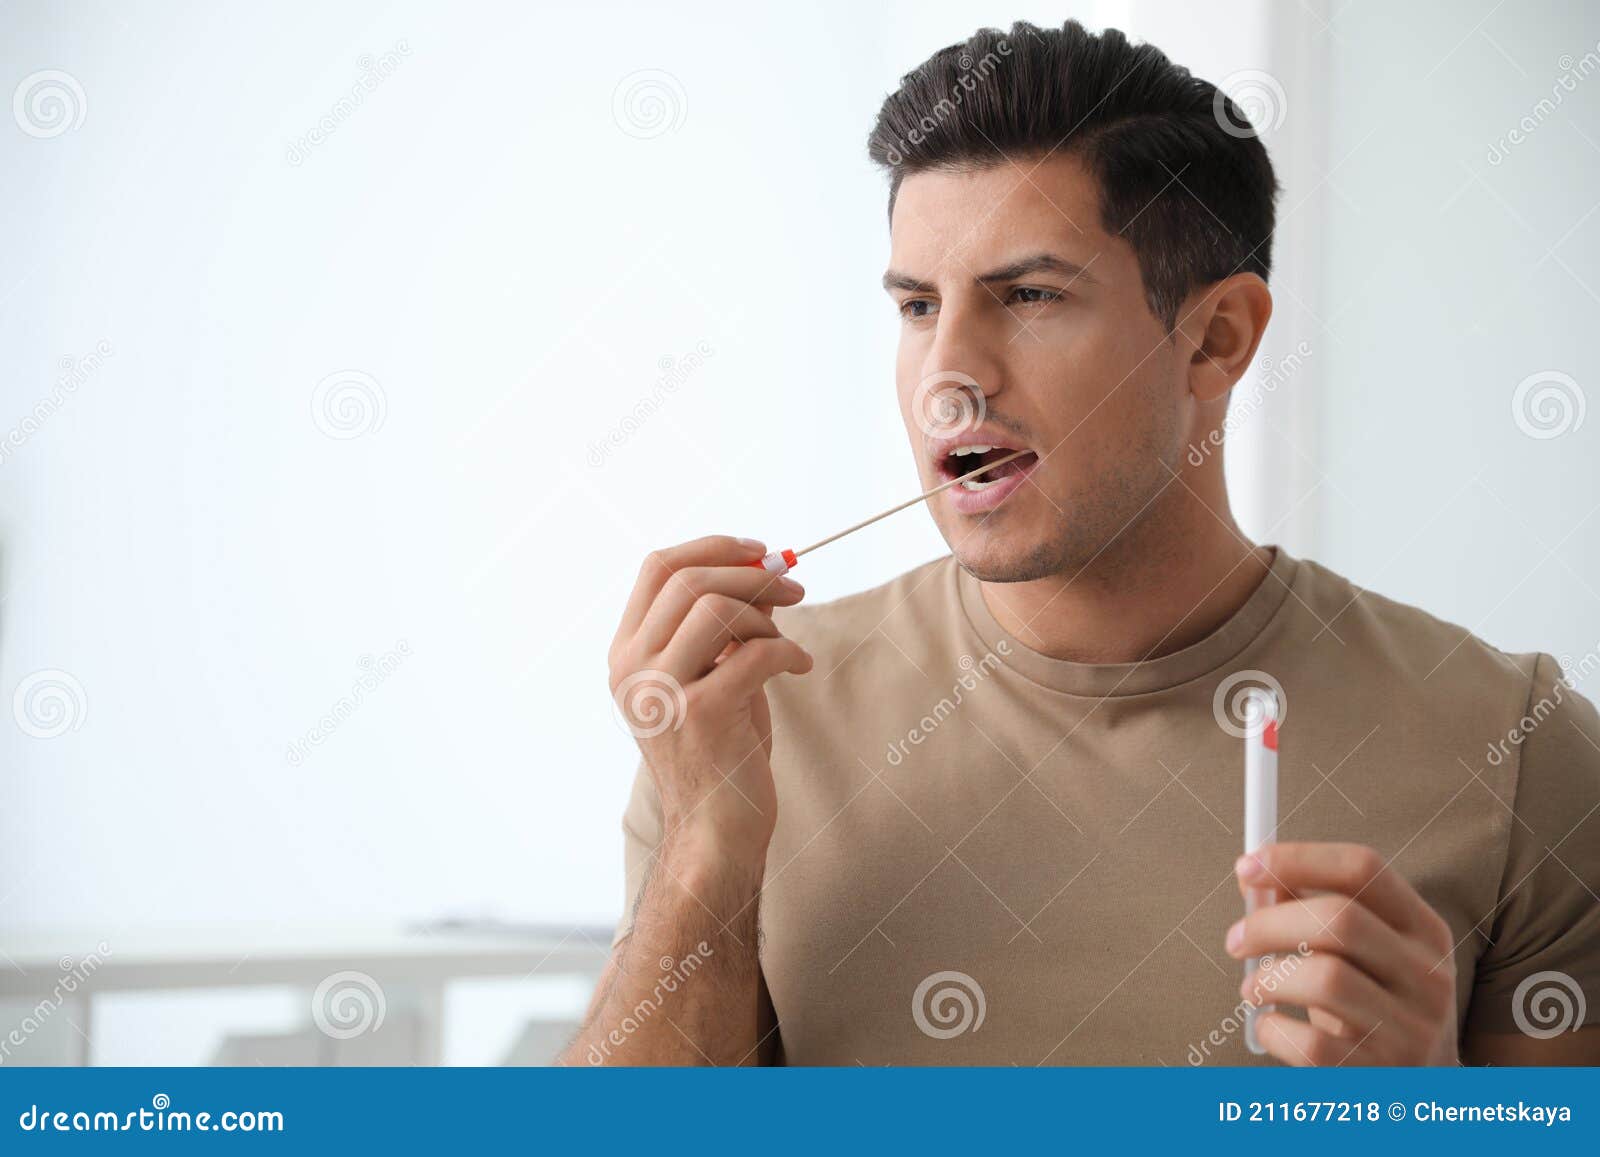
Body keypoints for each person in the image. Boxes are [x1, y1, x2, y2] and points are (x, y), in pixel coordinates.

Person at [562, 19, 1600, 1066]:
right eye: (918, 305)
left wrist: (1421, 1108)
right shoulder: (744, 723)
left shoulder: (1520, 746)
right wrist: (703, 846)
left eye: (1027, 296)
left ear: (1217, 338)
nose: (947, 376)